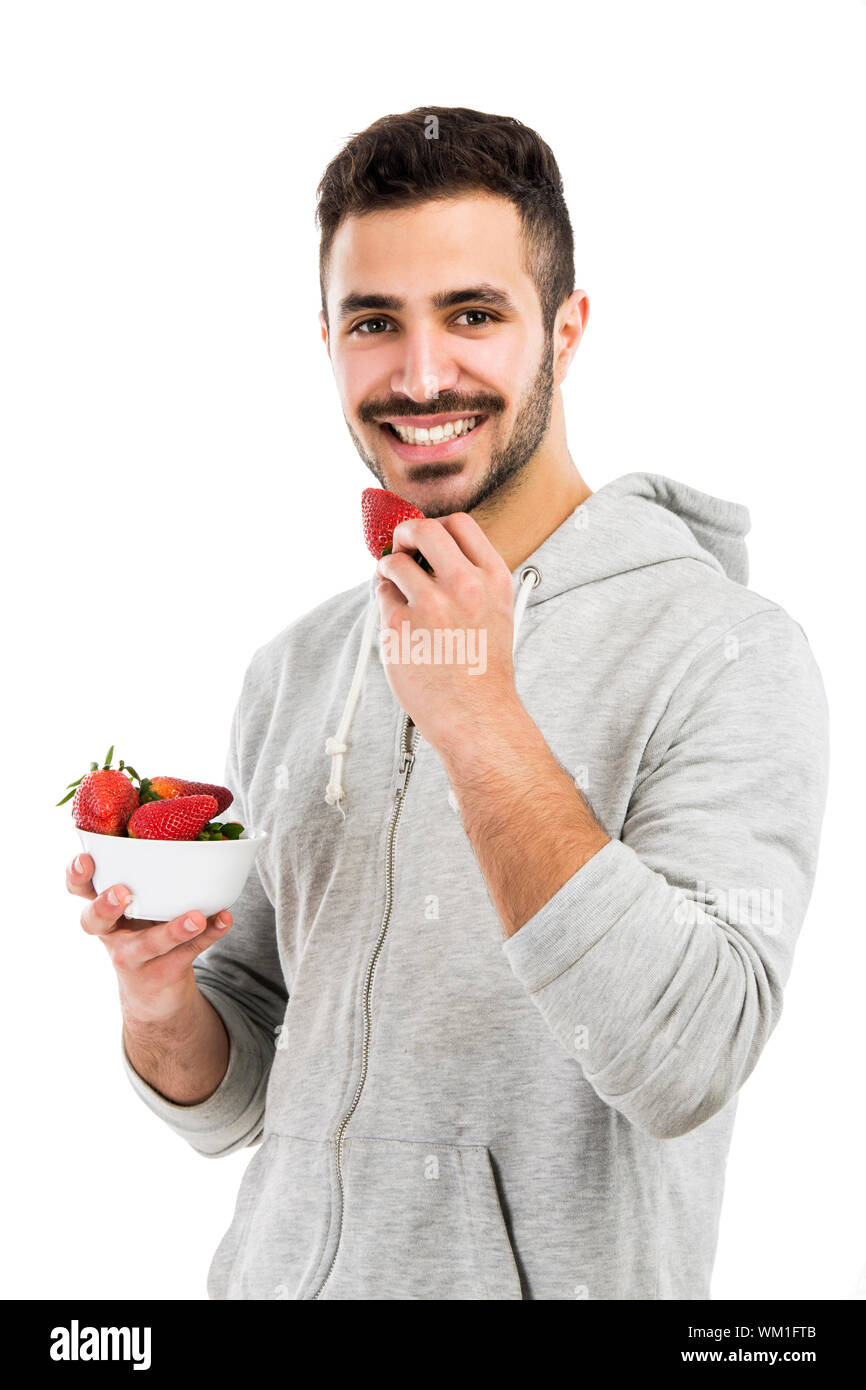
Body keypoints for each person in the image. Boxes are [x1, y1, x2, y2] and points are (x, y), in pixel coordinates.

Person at [66, 107, 829, 1300]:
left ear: (564, 332)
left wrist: (478, 717)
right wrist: (160, 997)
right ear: (326, 340)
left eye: (473, 314)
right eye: (375, 323)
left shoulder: (724, 650)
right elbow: (247, 1090)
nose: (421, 374)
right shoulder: (296, 664)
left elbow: (690, 1056)